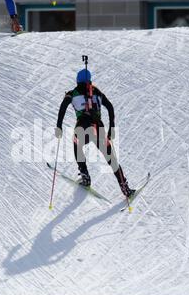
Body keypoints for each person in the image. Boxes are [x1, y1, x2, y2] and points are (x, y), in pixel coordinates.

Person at [55, 69, 136, 198]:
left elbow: (63, 107)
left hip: (82, 128)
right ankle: (125, 188)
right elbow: (110, 107)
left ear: (77, 80)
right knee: (111, 159)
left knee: (77, 145)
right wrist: (112, 128)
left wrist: (59, 126)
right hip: (98, 129)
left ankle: (85, 176)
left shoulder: (72, 93)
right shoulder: (97, 92)